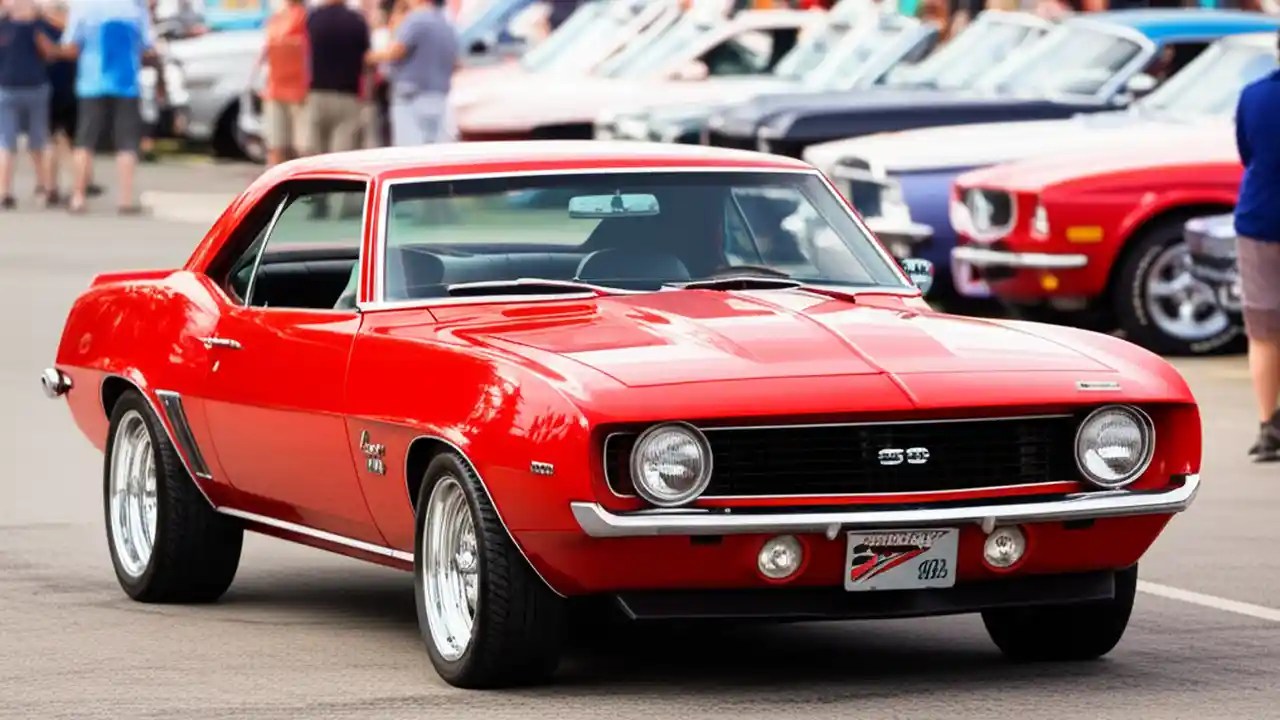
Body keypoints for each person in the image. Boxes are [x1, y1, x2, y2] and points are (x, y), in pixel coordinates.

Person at [1234, 31, 1280, 461]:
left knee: (1264, 333)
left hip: (1260, 219)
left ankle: (1269, 427)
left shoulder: (1253, 96)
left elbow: (1247, 154)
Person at [60, 0, 153, 213]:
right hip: (126, 81)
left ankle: (78, 196)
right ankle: (125, 200)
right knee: (127, 143)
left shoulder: (83, 5)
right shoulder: (135, 6)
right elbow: (146, 45)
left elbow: (71, 44)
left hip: (91, 82)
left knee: (85, 140)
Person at [365, 0, 458, 146]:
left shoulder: (415, 20)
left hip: (411, 97)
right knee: (436, 151)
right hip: (439, 97)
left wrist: (370, 57)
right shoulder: (446, 23)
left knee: (410, 151)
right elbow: (455, 62)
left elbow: (397, 51)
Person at [0, 0, 57, 208]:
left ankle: (4, 191)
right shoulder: (38, 26)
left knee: (6, 142)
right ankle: (46, 187)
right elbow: (49, 52)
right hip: (35, 85)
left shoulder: (3, 27)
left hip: (7, 86)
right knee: (39, 139)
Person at [305, 0, 369, 156]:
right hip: (348, 94)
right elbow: (366, 60)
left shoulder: (313, 19)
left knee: (315, 156)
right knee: (341, 156)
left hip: (317, 93)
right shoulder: (357, 21)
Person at [256, 0, 309, 166]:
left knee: (300, 148)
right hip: (276, 88)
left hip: (300, 91)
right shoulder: (276, 18)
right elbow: (266, 52)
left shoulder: (306, 18)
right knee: (276, 145)